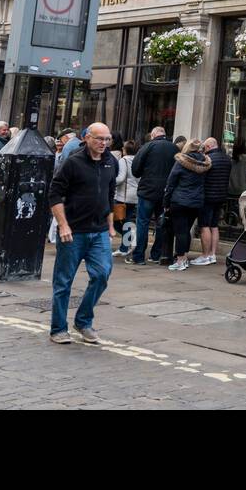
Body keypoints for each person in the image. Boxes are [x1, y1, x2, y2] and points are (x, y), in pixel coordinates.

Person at [48, 122, 117, 344]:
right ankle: (58, 328)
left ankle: (83, 321)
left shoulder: (110, 162)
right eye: (99, 139)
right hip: (73, 232)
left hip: (98, 232)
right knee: (63, 281)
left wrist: (111, 224)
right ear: (86, 138)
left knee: (102, 275)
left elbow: (109, 193)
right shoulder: (73, 162)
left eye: (107, 139)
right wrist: (63, 225)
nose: (103, 143)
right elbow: (54, 194)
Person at [130, 127, 178, 265]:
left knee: (143, 222)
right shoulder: (174, 148)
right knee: (161, 224)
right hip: (165, 193)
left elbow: (136, 169)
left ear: (153, 135)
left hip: (147, 191)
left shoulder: (148, 146)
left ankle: (139, 256)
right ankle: (156, 255)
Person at [163, 141, 210, 272]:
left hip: (180, 201)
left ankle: (180, 260)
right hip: (197, 202)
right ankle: (184, 257)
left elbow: (170, 183)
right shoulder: (205, 163)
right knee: (186, 230)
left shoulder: (181, 162)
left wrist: (166, 203)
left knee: (180, 231)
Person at [193, 137, 231, 265]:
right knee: (214, 225)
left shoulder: (207, 159)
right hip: (221, 196)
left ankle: (205, 255)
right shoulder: (227, 159)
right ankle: (213, 254)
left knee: (204, 226)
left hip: (207, 196)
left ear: (208, 147)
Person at [112, 140, 139, 257]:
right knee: (125, 220)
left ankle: (126, 242)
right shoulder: (138, 160)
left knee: (115, 221)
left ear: (125, 150)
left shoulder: (124, 160)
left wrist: (110, 181)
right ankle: (125, 244)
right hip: (135, 196)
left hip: (123, 196)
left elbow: (121, 178)